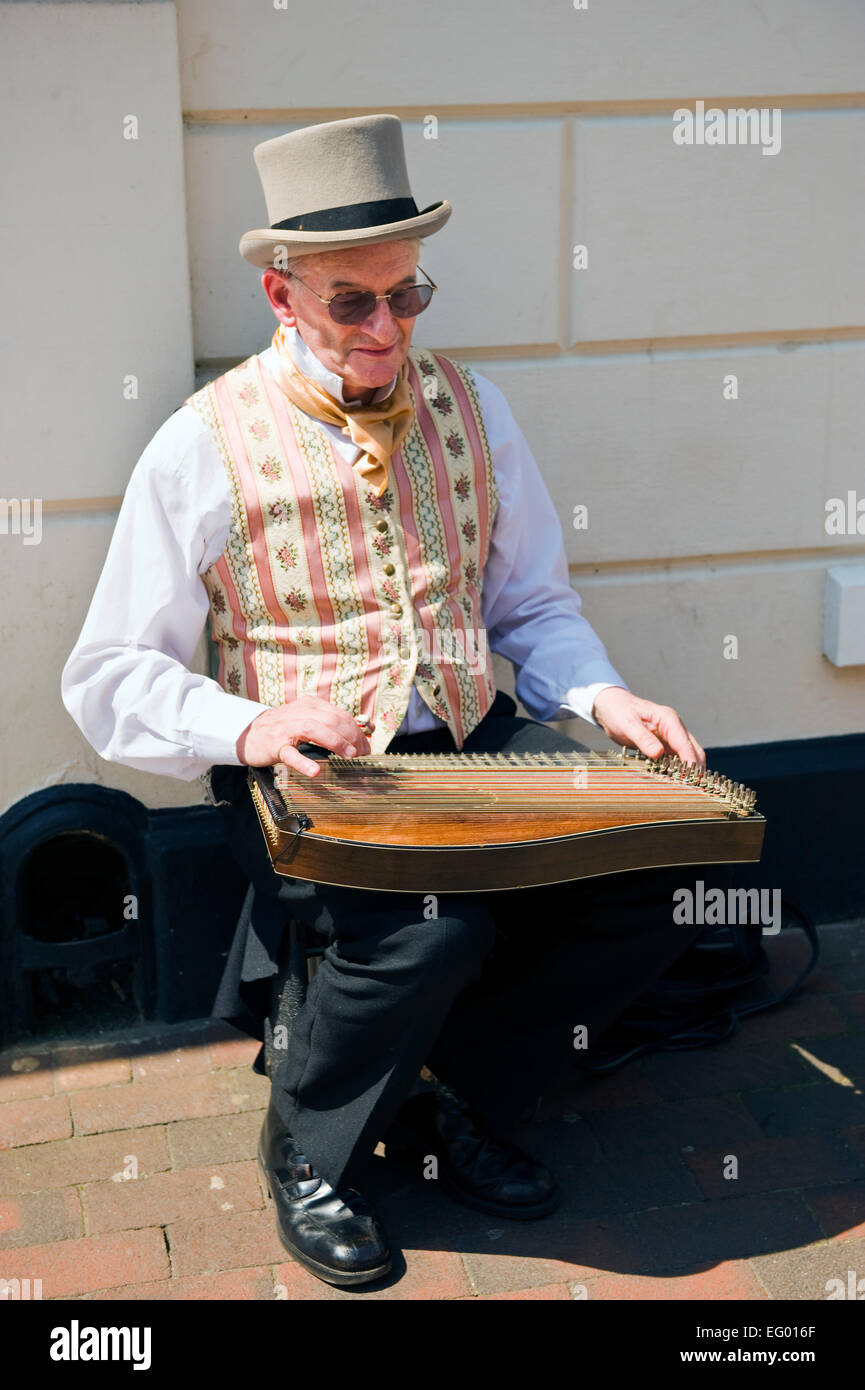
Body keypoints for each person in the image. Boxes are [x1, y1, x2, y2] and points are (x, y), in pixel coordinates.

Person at [62, 113, 711, 1289]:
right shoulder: (201, 445)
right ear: (280, 293)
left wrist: (606, 696)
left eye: (406, 298)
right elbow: (108, 672)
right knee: (431, 926)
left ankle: (460, 1090)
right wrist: (251, 726)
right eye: (350, 303)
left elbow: (529, 609)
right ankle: (308, 1152)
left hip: (471, 736)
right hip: (306, 770)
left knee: (652, 878)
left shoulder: (477, 409)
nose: (385, 329)